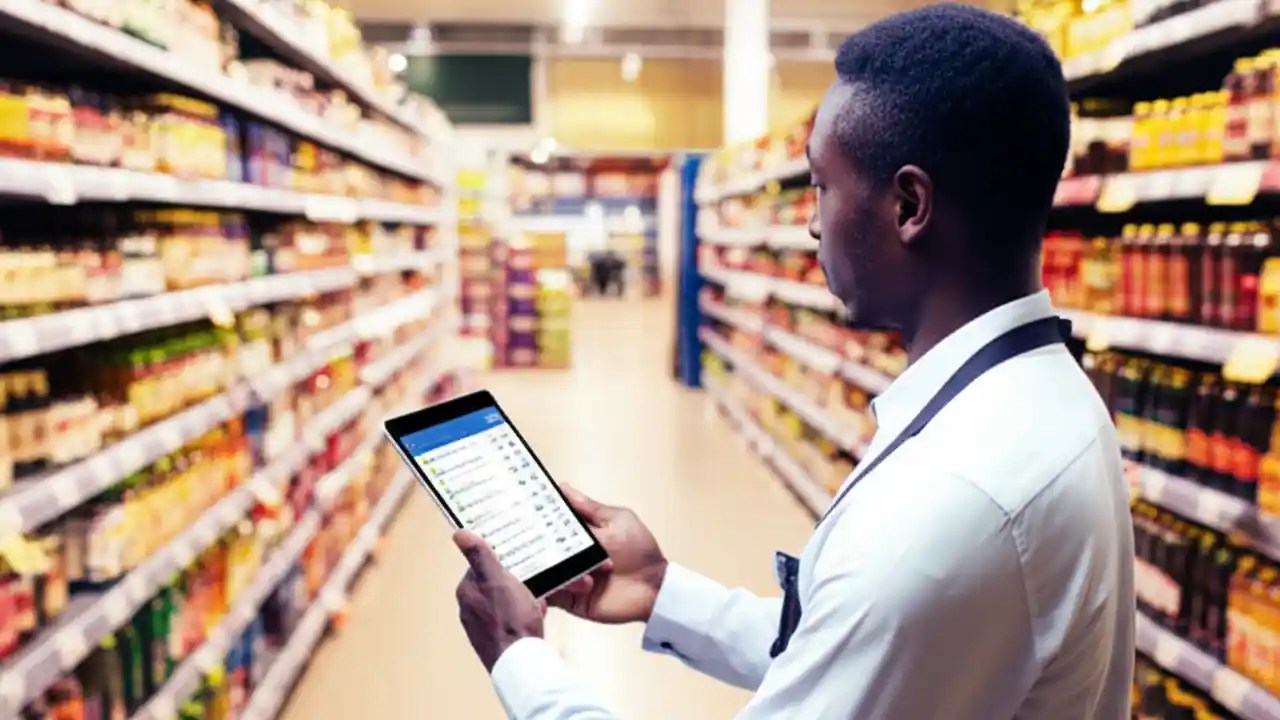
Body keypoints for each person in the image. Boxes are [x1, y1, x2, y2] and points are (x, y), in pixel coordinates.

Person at [451, 5, 1135, 718]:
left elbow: (885, 612)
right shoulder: (1047, 398)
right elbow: (857, 648)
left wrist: (518, 654)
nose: (811, 221)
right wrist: (661, 590)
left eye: (821, 185)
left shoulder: (958, 503)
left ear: (909, 205)